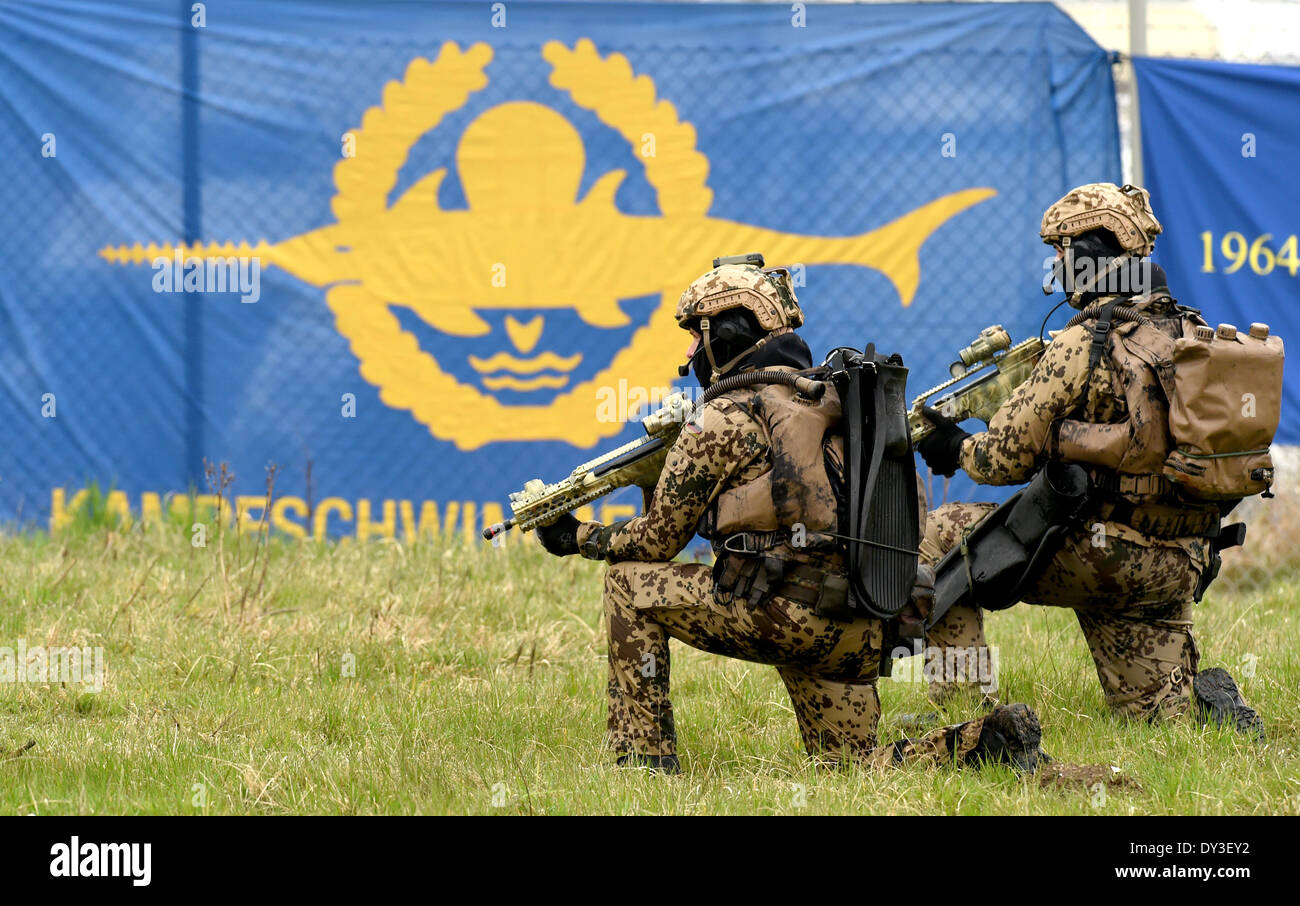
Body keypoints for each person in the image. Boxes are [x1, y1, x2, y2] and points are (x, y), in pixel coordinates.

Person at [536, 256, 1044, 773]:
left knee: (626, 584)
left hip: (783, 617)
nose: (689, 353)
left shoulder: (719, 418)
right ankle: (980, 743)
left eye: (695, 335)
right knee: (849, 768)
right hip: (861, 623)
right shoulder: (837, 398)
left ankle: (643, 760)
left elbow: (655, 544)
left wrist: (580, 536)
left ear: (723, 335)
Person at [916, 183, 1261, 734]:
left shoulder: (1085, 341)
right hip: (1182, 560)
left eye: (1062, 250)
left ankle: (961, 712)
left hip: (1107, 555)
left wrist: (954, 447)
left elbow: (1001, 460)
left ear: (1089, 253)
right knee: (1157, 722)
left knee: (937, 536)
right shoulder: (1190, 331)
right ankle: (1210, 709)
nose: (1057, 265)